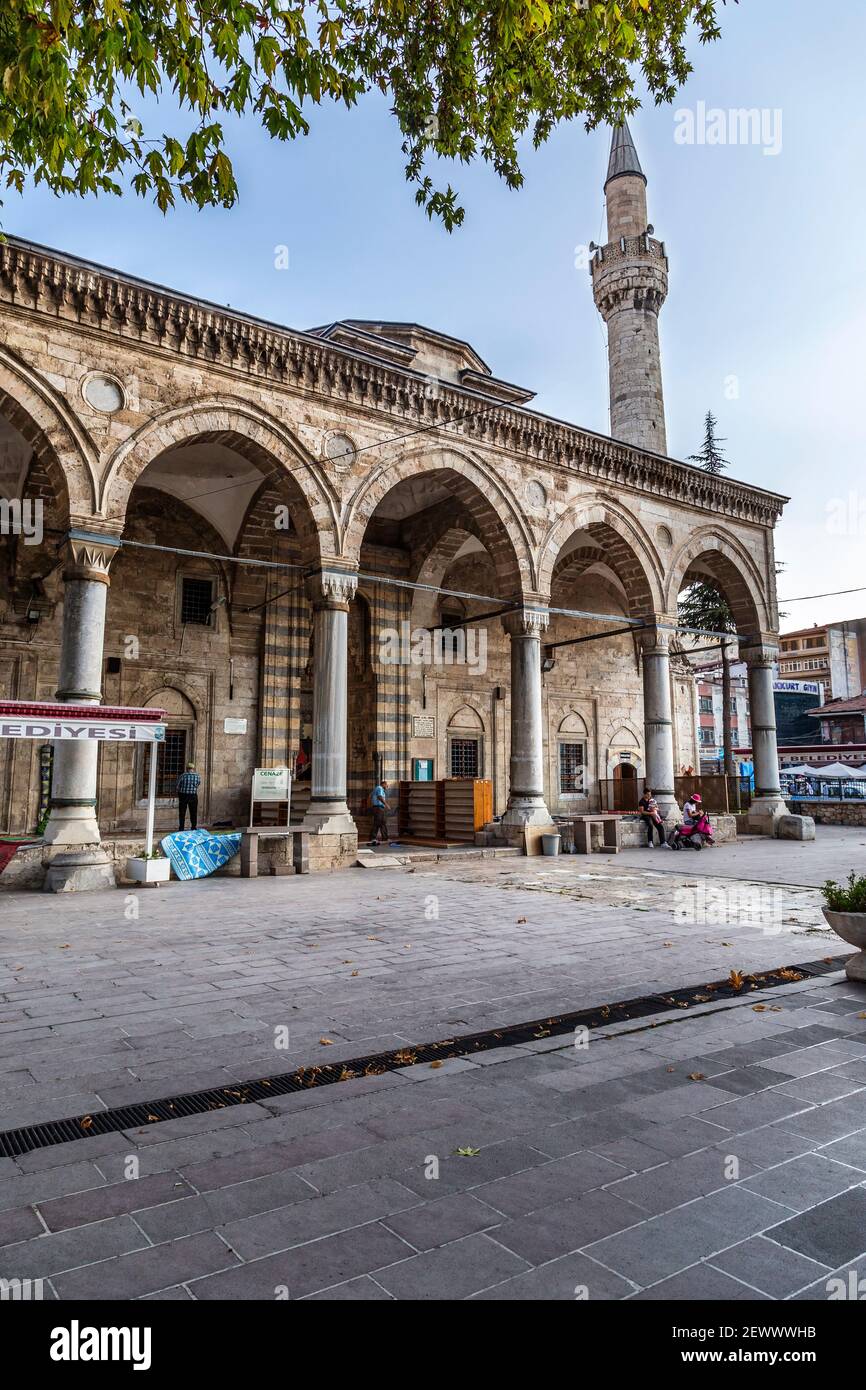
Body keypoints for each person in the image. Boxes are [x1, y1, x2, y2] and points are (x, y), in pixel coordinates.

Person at [176, 762, 201, 831]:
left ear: (187, 768)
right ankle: (193, 827)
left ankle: (181, 828)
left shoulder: (183, 776)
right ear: (193, 768)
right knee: (193, 812)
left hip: (183, 795)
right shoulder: (197, 776)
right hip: (193, 796)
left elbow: (177, 786)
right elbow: (198, 784)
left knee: (182, 813)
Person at [370, 778, 389, 845]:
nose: (387, 787)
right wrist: (386, 804)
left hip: (379, 808)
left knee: (383, 822)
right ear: (383, 784)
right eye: (387, 785)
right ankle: (372, 837)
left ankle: (385, 837)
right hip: (378, 808)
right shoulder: (379, 788)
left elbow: (371, 796)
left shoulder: (379, 789)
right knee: (377, 822)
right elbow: (379, 797)